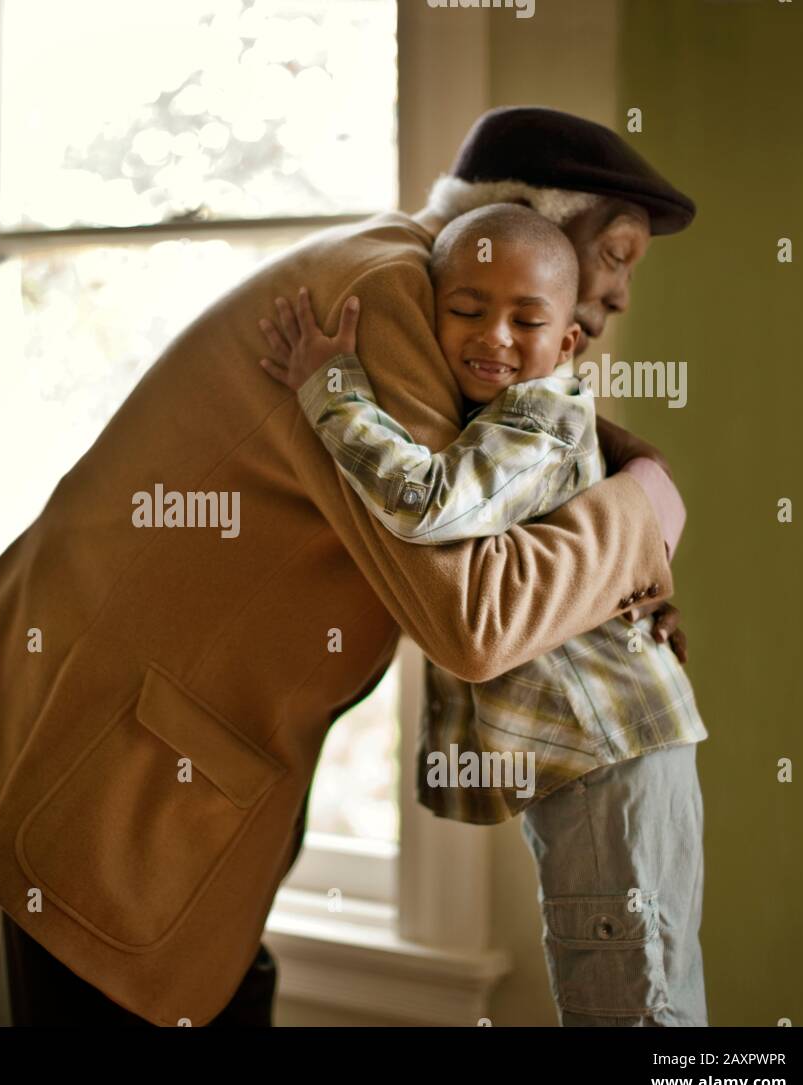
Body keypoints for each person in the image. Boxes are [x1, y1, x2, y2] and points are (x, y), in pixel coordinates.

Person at [0, 106, 695, 1027]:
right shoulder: (386, 300)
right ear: (525, 227)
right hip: (120, 776)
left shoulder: (407, 274)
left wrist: (634, 497)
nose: (621, 293)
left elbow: (511, 451)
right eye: (619, 251)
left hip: (124, 743)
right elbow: (471, 616)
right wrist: (649, 510)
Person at [258, 202, 708, 1026]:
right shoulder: (503, 416)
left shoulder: (537, 418)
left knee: (630, 1002)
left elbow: (429, 501)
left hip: (608, 756)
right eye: (466, 311)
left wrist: (330, 389)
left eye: (526, 320)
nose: (493, 336)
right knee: (635, 981)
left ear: (566, 344)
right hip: (606, 756)